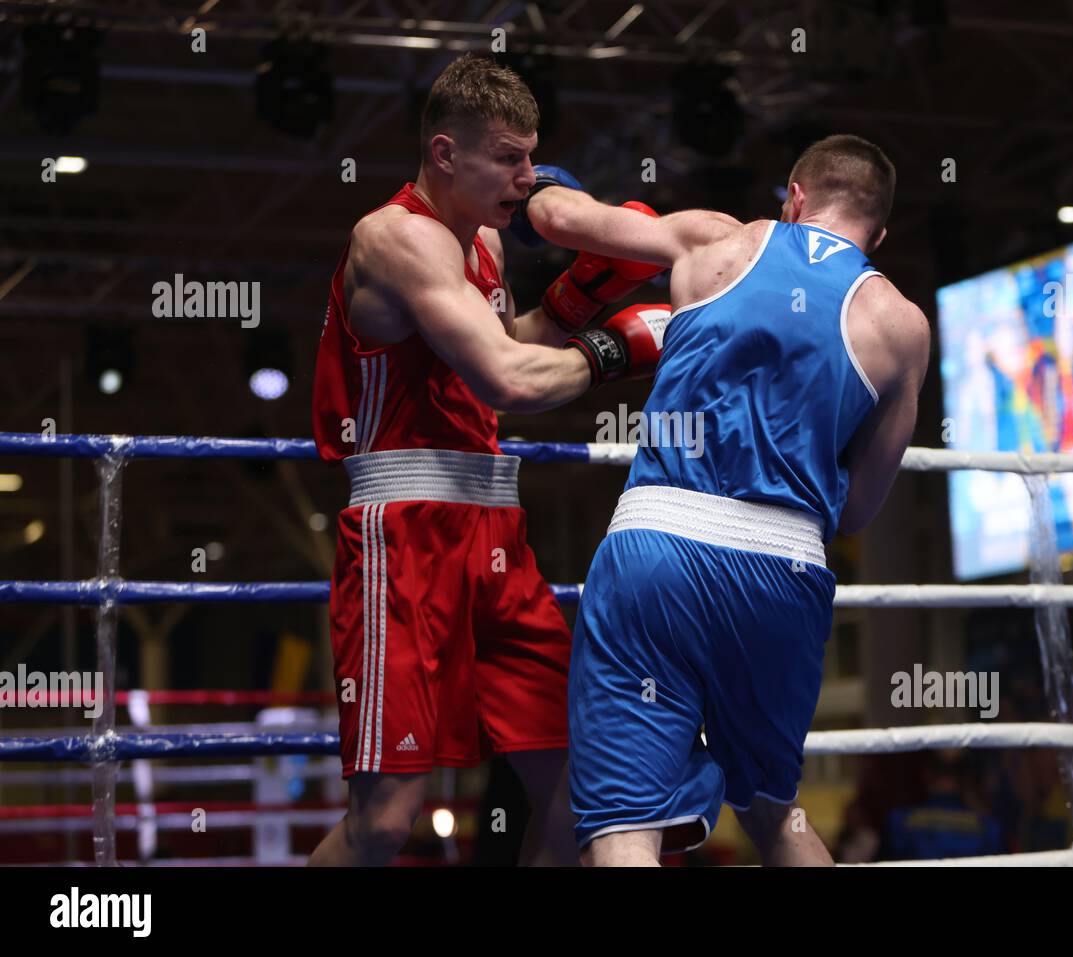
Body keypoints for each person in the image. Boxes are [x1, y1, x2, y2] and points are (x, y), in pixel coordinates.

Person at [518, 133, 931, 865]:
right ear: (881, 230)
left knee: (621, 826)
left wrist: (533, 181)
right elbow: (860, 509)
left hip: (660, 549)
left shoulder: (721, 241)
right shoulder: (902, 325)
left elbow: (559, 218)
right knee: (776, 814)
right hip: (786, 571)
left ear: (794, 197)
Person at [307, 54, 665, 866]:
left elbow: (499, 350)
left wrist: (578, 298)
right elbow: (507, 377)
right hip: (405, 532)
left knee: (585, 786)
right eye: (508, 157)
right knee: (387, 821)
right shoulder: (393, 238)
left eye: (531, 155)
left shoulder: (490, 246)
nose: (527, 177)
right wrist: (618, 344)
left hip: (496, 531)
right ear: (444, 154)